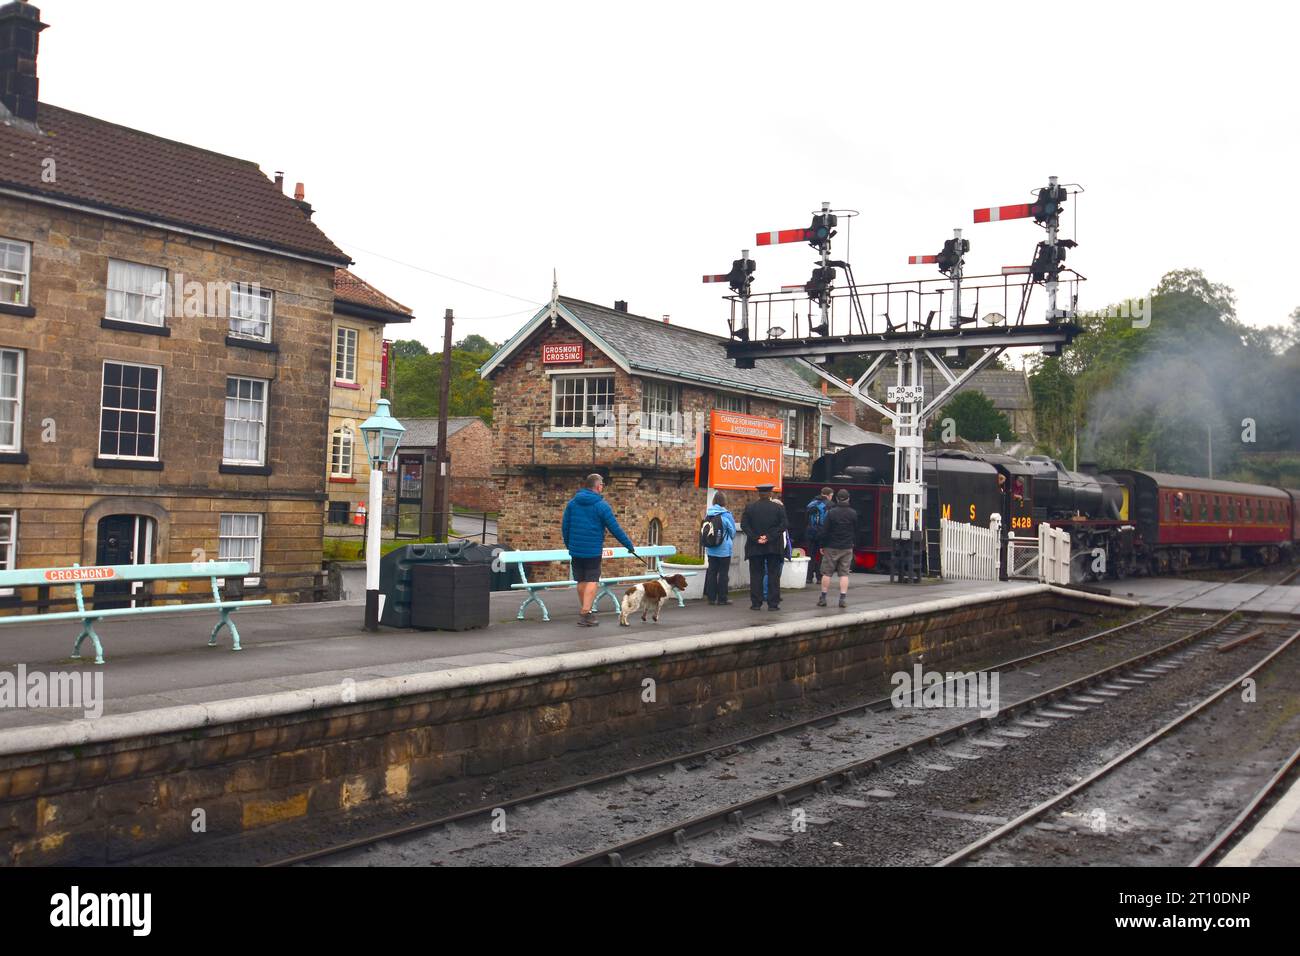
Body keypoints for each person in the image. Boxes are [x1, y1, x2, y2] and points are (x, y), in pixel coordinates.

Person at [561, 473, 636, 627]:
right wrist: (628, 545)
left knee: (581, 580)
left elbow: (565, 526)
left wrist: (569, 545)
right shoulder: (601, 505)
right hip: (592, 550)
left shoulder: (572, 503)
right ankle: (585, 612)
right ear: (597, 486)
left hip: (576, 549)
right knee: (592, 580)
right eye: (602, 485)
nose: (603, 487)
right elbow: (615, 528)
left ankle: (587, 613)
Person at [742, 483, 787, 611]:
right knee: (773, 574)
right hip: (773, 546)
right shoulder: (778, 508)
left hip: (755, 547)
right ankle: (773, 604)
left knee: (756, 574)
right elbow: (784, 525)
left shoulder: (750, 508)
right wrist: (769, 537)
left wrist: (756, 538)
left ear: (759, 494)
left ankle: (756, 603)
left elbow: (745, 526)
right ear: (770, 494)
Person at [818, 489, 859, 608]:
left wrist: (822, 545)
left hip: (831, 546)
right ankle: (842, 599)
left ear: (836, 498)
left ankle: (823, 598)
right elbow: (856, 530)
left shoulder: (831, 513)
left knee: (827, 573)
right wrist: (853, 543)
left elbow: (825, 531)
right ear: (848, 498)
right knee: (844, 574)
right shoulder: (853, 513)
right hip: (847, 547)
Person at [703, 491, 737, 605]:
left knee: (712, 572)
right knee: (723, 573)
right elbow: (732, 532)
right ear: (724, 501)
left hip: (711, 549)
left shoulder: (708, 514)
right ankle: (722, 598)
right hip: (724, 551)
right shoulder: (726, 515)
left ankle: (711, 598)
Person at [804, 487, 833, 582]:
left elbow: (806, 519)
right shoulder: (830, 505)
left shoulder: (811, 503)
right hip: (822, 533)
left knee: (810, 555)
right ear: (829, 495)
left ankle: (809, 577)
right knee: (821, 555)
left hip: (810, 532)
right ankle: (820, 577)